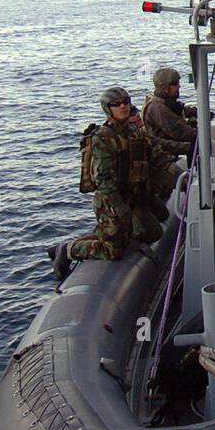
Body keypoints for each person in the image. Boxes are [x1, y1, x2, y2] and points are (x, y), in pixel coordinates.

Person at [47, 87, 171, 281]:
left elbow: (154, 150)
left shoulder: (133, 131)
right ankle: (69, 249)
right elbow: (104, 181)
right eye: (116, 104)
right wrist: (122, 210)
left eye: (126, 102)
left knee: (154, 232)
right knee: (112, 251)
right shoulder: (104, 138)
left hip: (132, 195)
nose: (123, 106)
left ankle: (116, 234)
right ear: (108, 108)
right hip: (111, 200)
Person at [142, 67, 198, 160]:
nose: (179, 86)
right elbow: (182, 133)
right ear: (164, 87)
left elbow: (182, 110)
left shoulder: (163, 102)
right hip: (162, 159)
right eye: (175, 84)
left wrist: (199, 112)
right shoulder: (158, 108)